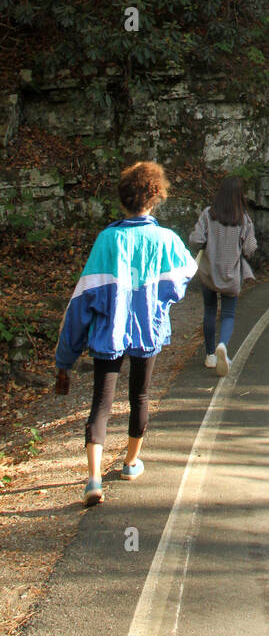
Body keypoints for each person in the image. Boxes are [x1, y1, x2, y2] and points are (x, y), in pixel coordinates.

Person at [54, 161, 198, 507]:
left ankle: (93, 478)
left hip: (108, 333)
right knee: (141, 397)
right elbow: (186, 275)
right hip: (147, 330)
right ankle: (131, 462)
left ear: (123, 199)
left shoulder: (106, 240)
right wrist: (159, 301)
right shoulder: (166, 239)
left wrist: (65, 359)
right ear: (156, 196)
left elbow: (82, 300)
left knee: (101, 405)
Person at [189, 176, 257, 378]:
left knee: (209, 310)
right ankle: (223, 345)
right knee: (228, 314)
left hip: (209, 272)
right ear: (239, 195)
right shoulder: (243, 219)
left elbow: (195, 240)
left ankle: (210, 355)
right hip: (231, 274)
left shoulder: (208, 215)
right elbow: (250, 248)